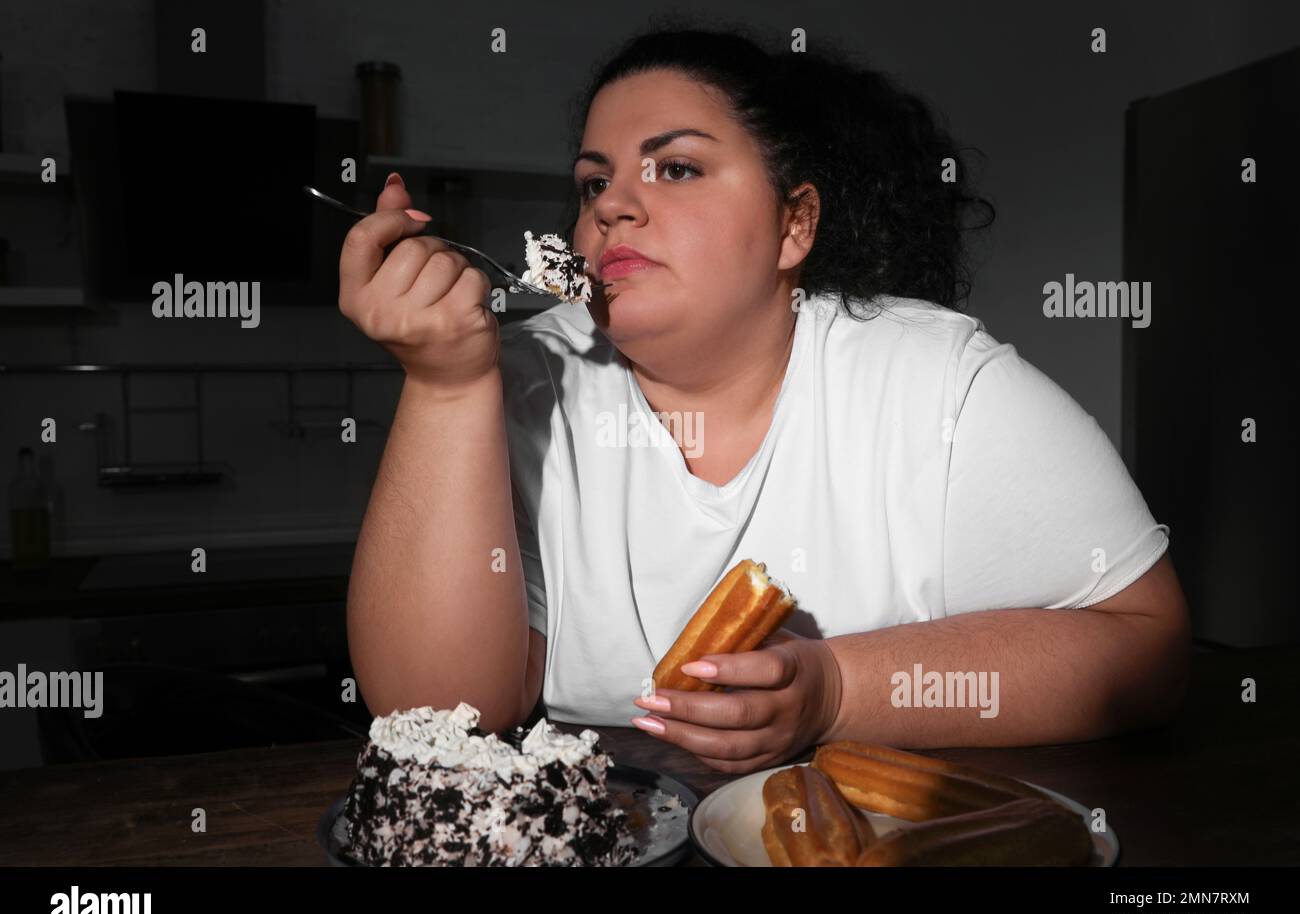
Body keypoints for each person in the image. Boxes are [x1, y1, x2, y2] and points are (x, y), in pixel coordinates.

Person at [339, 26, 1191, 774]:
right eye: (593, 183)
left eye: (675, 168)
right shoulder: (522, 382)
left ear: (795, 226)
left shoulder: (938, 385)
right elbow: (438, 720)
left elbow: (1146, 649)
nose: (613, 209)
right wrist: (444, 388)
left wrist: (838, 688)